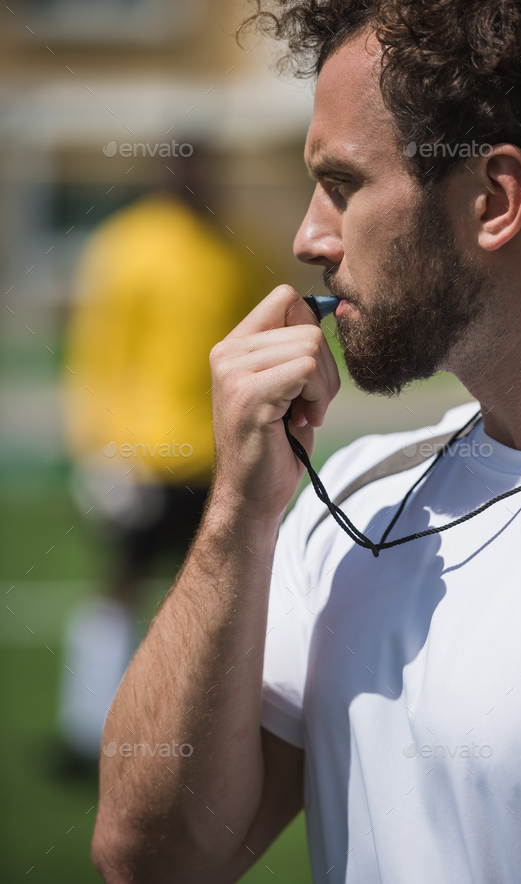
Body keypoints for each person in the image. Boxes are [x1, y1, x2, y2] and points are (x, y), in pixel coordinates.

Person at [92, 2, 521, 882]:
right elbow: (149, 858)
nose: (308, 237)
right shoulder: (356, 493)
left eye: (344, 184)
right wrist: (238, 517)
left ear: (494, 198)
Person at [58, 149, 263, 767]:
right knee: (121, 585)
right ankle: (86, 729)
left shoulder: (237, 248)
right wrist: (97, 448)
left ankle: (189, 735)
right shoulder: (127, 246)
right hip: (142, 458)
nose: (195, 182)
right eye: (184, 171)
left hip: (218, 457)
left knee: (209, 598)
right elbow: (99, 351)